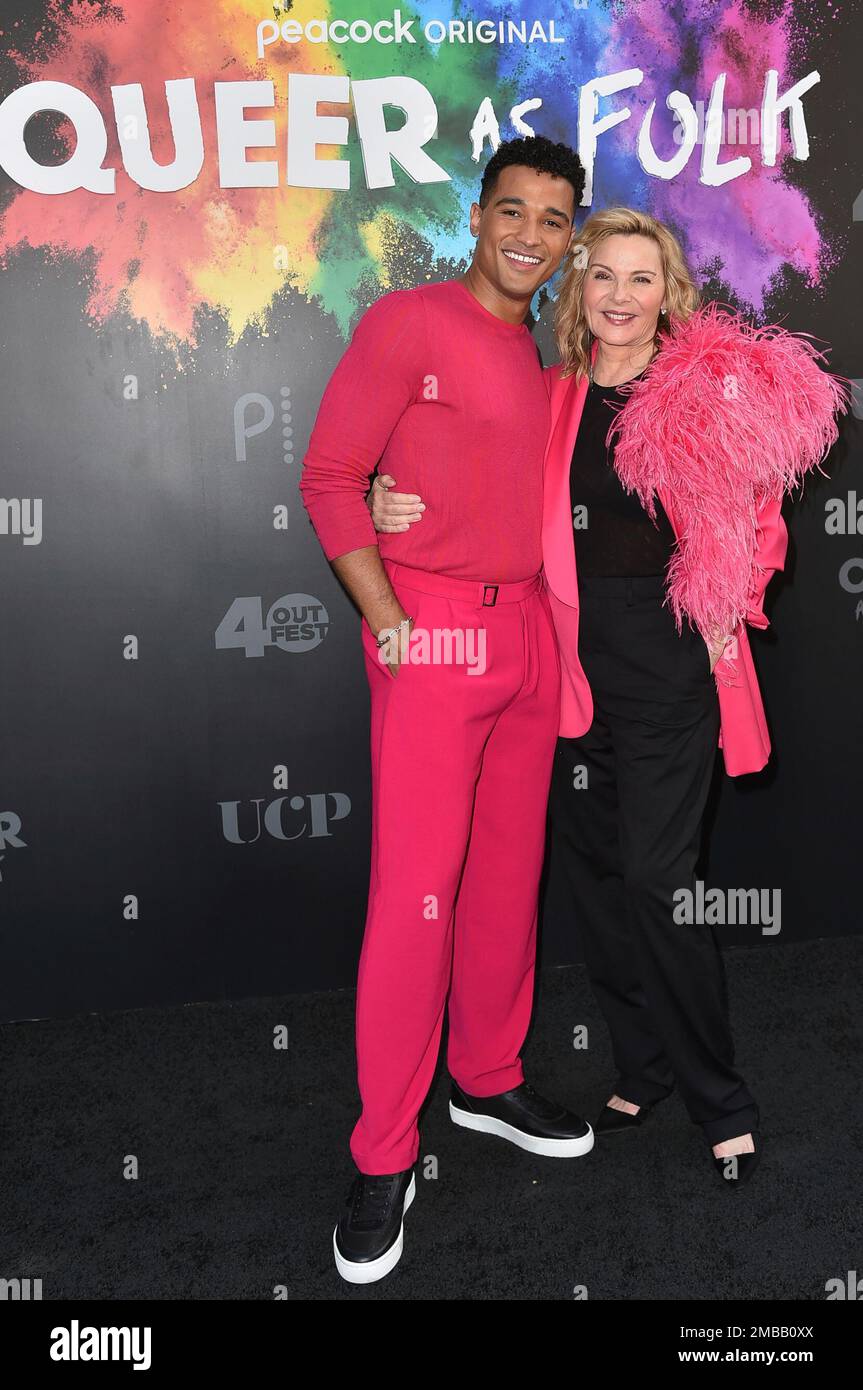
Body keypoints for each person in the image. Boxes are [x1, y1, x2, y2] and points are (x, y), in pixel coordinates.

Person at [370, 205, 849, 1190]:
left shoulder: (702, 392)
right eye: (601, 277)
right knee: (593, 880)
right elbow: (464, 475)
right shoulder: (549, 397)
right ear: (576, 291)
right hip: (563, 667)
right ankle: (643, 1065)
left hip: (668, 661)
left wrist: (735, 600)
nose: (619, 296)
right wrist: (384, 492)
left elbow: (762, 520)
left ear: (664, 292)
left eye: (640, 278)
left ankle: (720, 1098)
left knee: (657, 883)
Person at [299, 136, 593, 1286]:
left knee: (504, 877)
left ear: (572, 235)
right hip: (429, 631)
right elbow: (330, 479)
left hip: (527, 636)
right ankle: (382, 1150)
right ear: (475, 218)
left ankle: (485, 1076)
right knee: (415, 896)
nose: (529, 234)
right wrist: (384, 614)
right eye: (510, 211)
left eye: (553, 219)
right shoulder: (408, 323)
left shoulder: (553, 349)